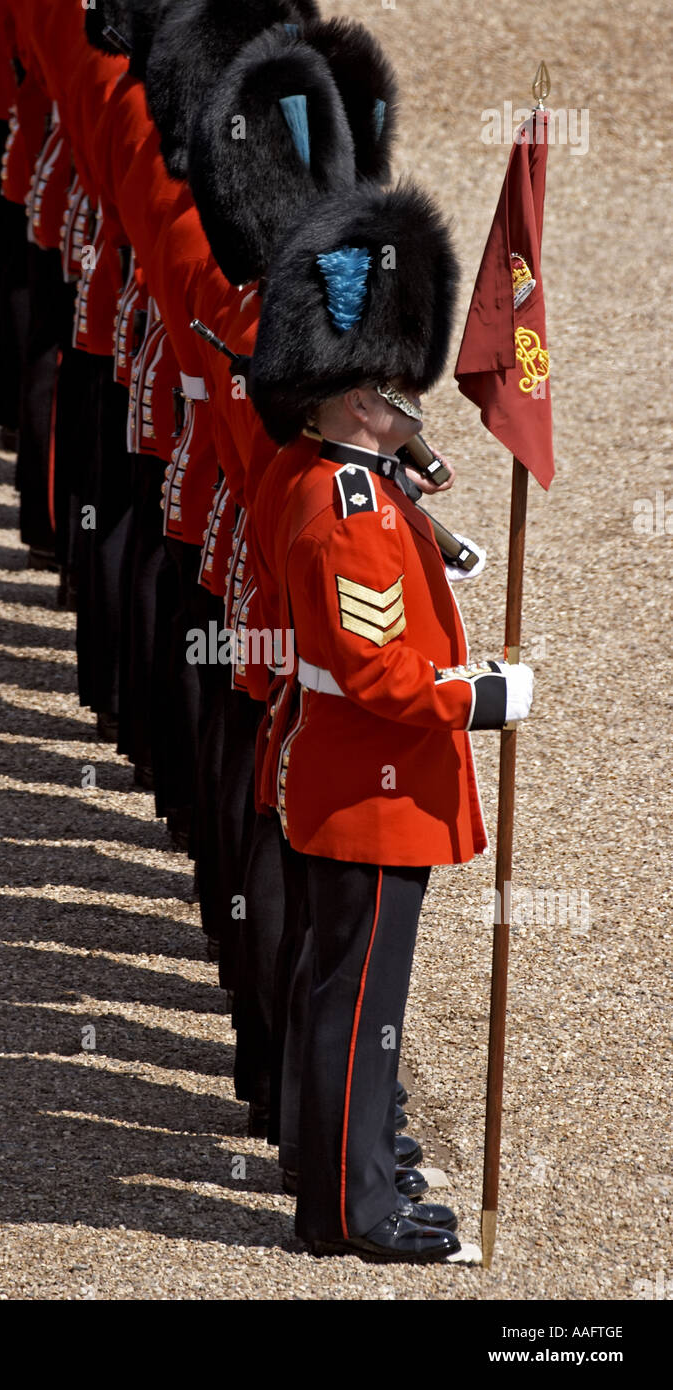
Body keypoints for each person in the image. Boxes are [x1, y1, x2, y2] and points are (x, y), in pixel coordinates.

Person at [249, 182, 535, 1262]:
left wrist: (418, 499)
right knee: (358, 1007)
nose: (404, 401)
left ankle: (336, 1169)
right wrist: (486, 695)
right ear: (348, 395)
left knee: (341, 993)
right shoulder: (346, 511)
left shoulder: (329, 477)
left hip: (340, 773)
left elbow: (362, 503)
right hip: (373, 778)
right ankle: (349, 1211)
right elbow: (377, 672)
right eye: (385, 387)